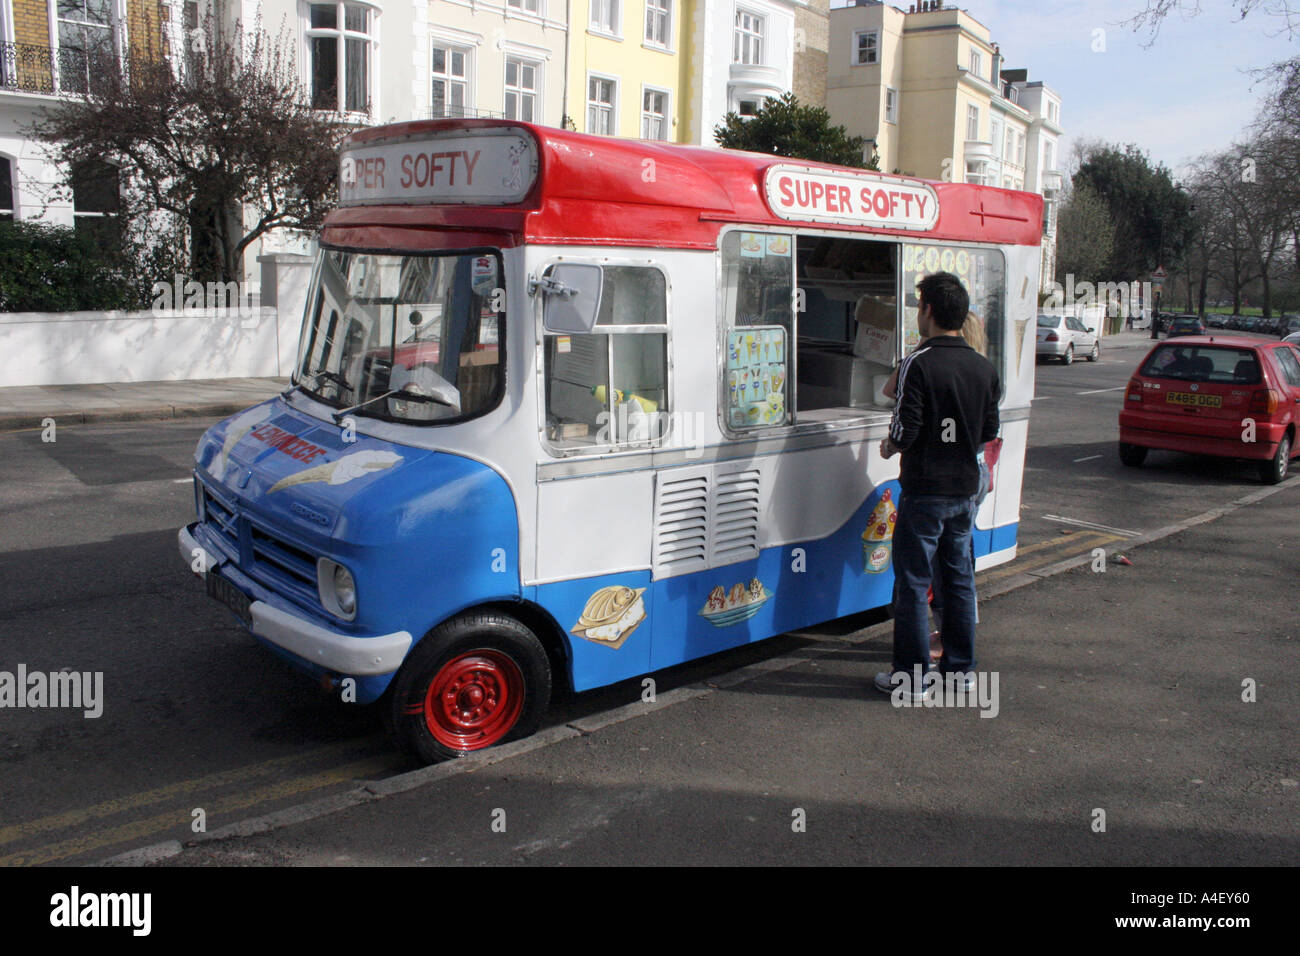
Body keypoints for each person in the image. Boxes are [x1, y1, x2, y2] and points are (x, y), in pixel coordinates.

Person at [875, 272, 1001, 701]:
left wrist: (889, 447)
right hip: (965, 490)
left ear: (927, 310)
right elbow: (988, 430)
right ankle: (960, 673)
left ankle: (911, 679)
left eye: (918, 305)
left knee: (911, 580)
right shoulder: (984, 368)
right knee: (959, 576)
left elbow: (904, 428)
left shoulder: (918, 363)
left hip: (925, 489)